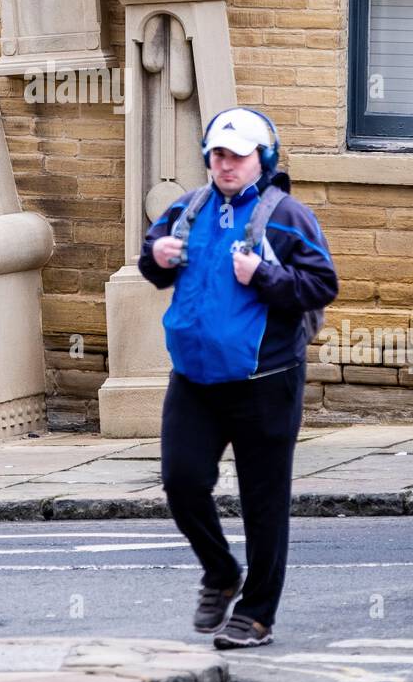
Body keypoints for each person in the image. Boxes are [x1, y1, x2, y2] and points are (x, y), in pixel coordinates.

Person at [138, 107, 339, 648]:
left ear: (262, 160)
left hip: (266, 380)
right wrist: (154, 256)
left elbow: (321, 284)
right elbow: (153, 267)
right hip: (194, 381)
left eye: (237, 155)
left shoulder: (286, 216)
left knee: (263, 502)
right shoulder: (188, 208)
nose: (225, 165)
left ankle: (256, 615)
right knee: (181, 484)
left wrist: (264, 275)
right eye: (218, 155)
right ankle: (222, 572)